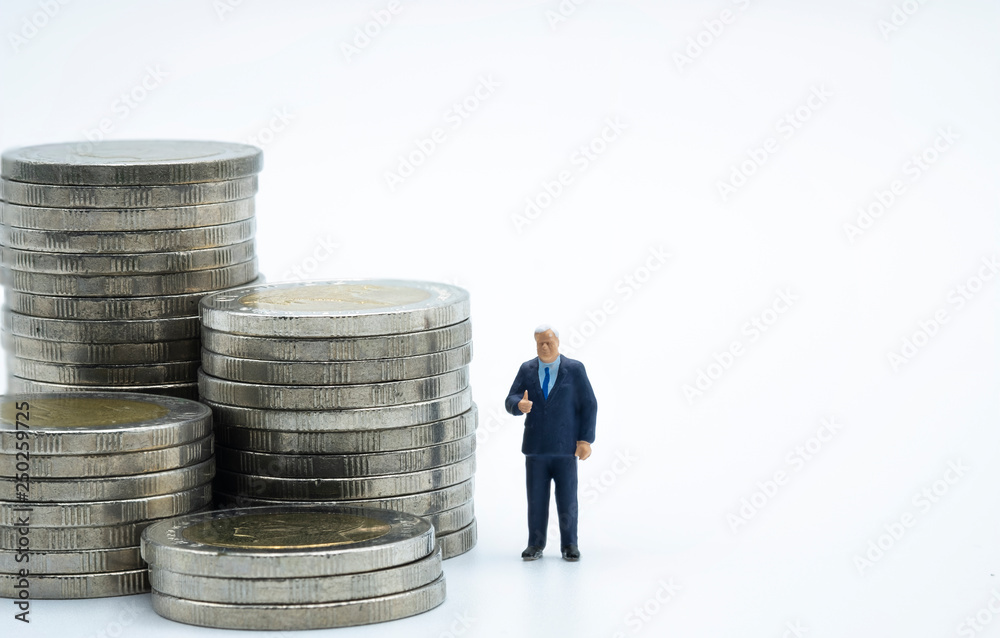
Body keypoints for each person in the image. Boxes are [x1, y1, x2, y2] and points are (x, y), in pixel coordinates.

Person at [504, 325, 597, 561]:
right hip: (536, 449)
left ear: (557, 342)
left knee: (567, 500)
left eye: (549, 342)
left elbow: (589, 404)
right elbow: (511, 398)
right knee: (536, 500)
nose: (544, 347)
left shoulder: (574, 369)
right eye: (540, 343)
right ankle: (535, 544)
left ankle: (570, 544)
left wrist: (585, 440)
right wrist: (518, 405)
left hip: (566, 448)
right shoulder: (527, 369)